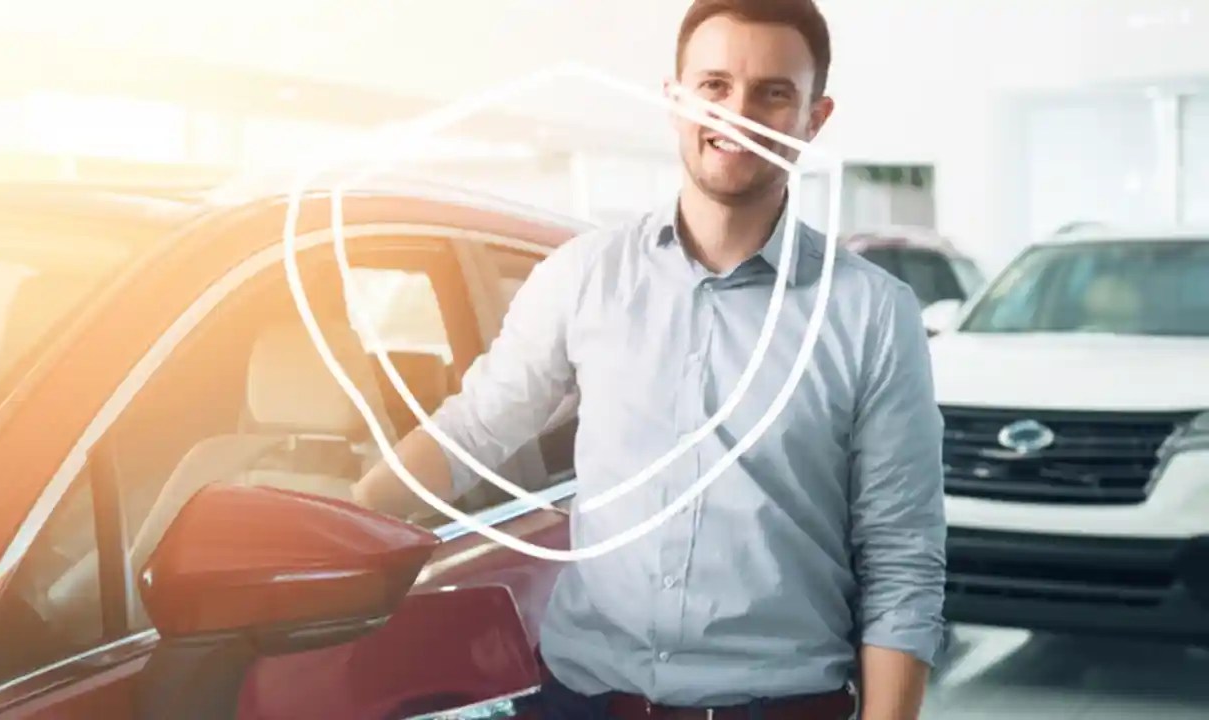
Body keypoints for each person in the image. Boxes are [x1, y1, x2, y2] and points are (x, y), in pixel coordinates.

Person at [349, 0, 947, 718]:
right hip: (584, 702)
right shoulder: (585, 276)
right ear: (674, 100)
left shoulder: (873, 314)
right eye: (715, 85)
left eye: (773, 93)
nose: (738, 113)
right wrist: (335, 532)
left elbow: (901, 560)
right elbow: (473, 432)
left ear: (814, 120)